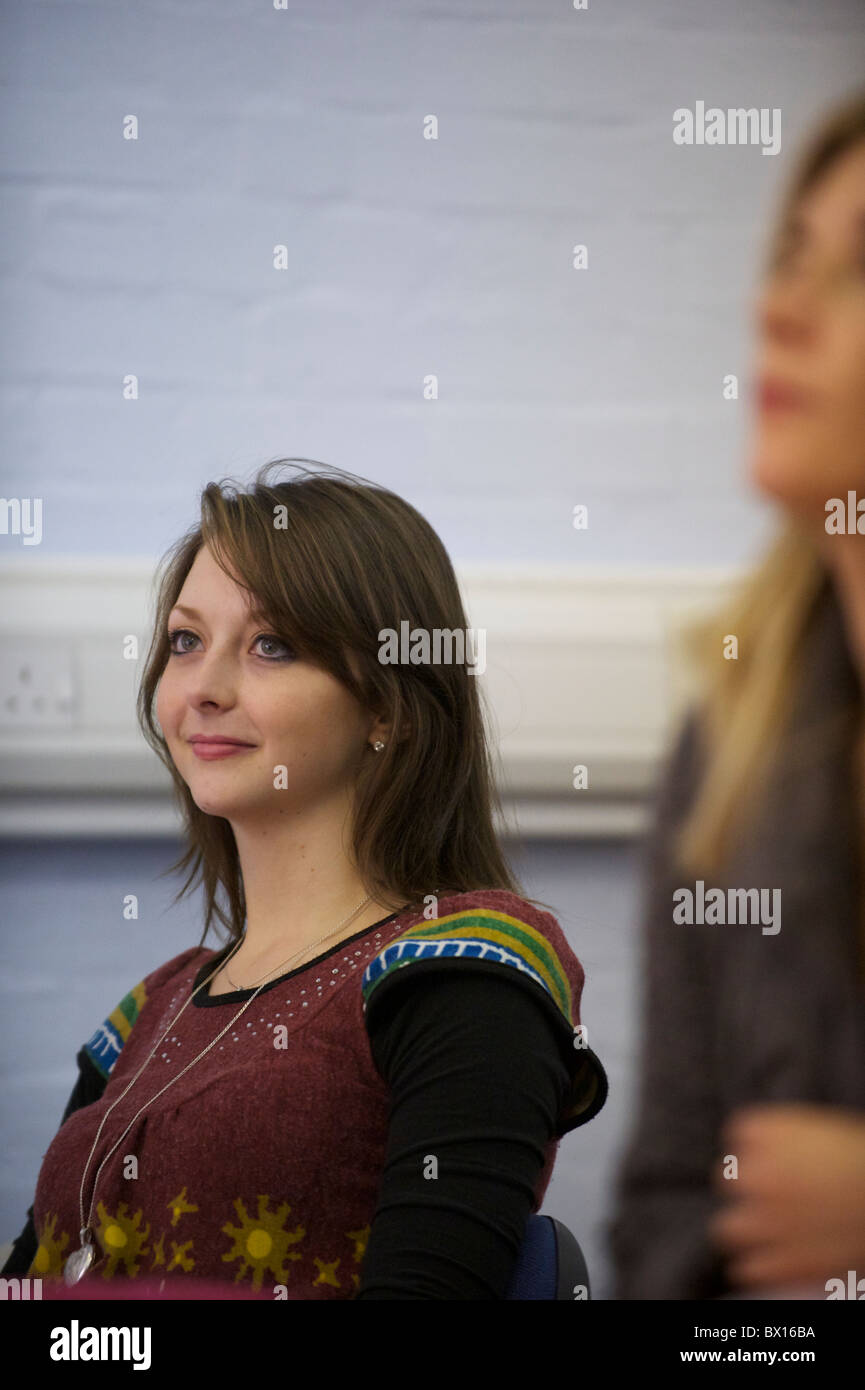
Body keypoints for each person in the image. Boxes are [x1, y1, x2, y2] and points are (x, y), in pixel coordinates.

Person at [1, 460, 607, 1298]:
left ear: (386, 706)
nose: (204, 688)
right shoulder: (147, 1012)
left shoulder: (469, 964)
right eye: (186, 641)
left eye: (270, 646)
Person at [608, 90, 865, 1300]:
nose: (775, 310)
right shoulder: (730, 738)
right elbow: (666, 1200)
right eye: (787, 260)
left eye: (855, 272)